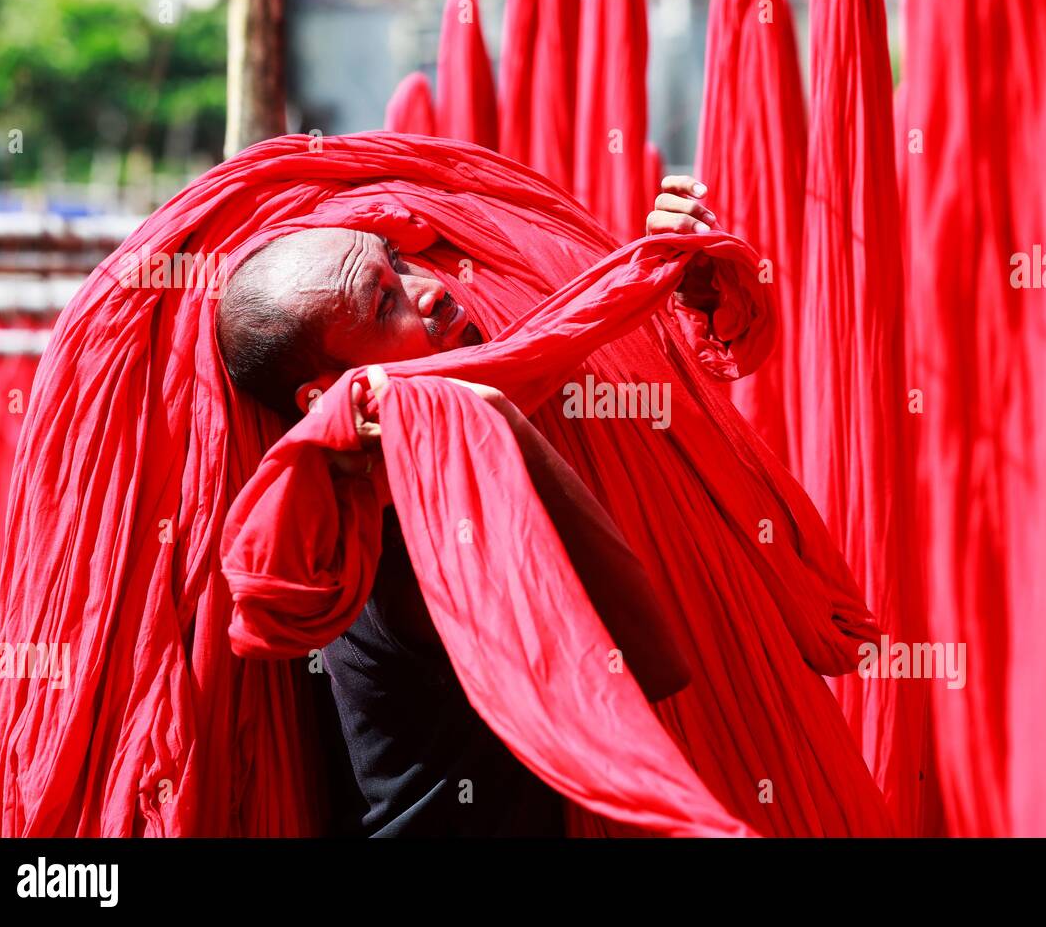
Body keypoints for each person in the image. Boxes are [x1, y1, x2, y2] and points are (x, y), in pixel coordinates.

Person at [214, 179, 717, 837]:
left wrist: (666, 275)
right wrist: (495, 418)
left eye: (396, 260)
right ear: (333, 394)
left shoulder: (378, 487)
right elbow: (648, 665)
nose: (430, 289)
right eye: (384, 304)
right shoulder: (403, 539)